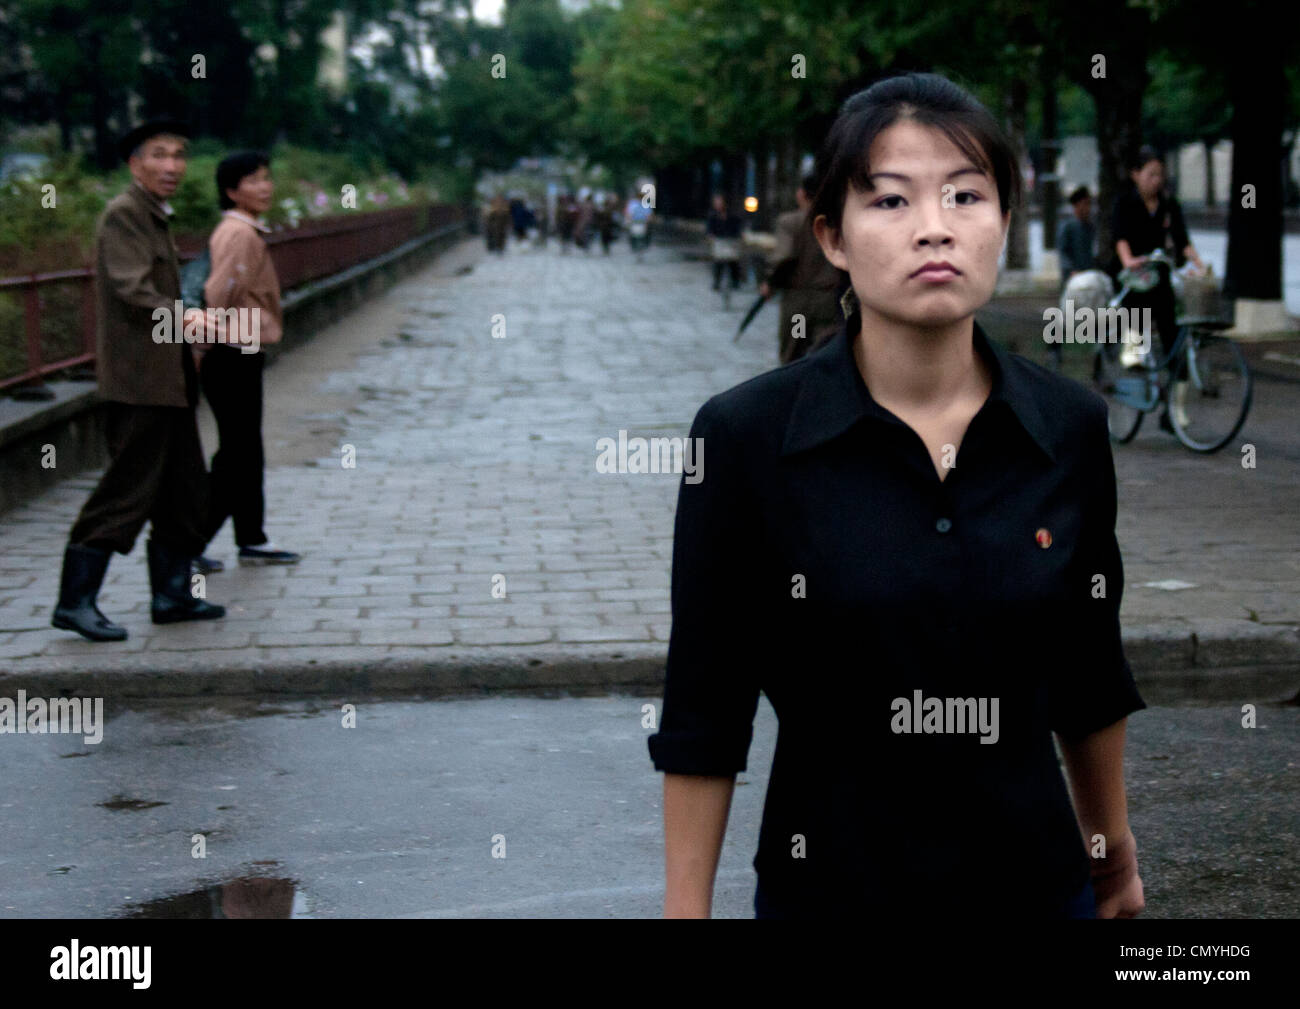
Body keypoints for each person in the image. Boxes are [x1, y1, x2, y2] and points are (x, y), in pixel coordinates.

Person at [649, 72, 1147, 920]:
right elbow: (707, 701)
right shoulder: (746, 439)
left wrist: (1111, 852)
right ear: (832, 237)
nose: (934, 229)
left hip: (1035, 890)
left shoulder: (1067, 427)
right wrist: (685, 908)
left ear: (1004, 221)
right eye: (889, 201)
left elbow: (1088, 673)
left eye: (966, 195)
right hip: (832, 891)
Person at [51, 118, 226, 641]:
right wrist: (186, 318)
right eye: (159, 155)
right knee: (126, 491)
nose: (172, 165)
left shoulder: (152, 216)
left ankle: (171, 596)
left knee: (185, 490)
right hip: (139, 382)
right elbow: (133, 290)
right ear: (134, 164)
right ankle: (74, 602)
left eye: (179, 155)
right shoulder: (124, 214)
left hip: (167, 380)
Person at [191, 151, 300, 573]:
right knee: (237, 452)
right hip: (231, 350)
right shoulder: (239, 233)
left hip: (241, 346)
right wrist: (205, 342)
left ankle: (251, 537)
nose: (265, 186)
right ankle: (188, 542)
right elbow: (220, 292)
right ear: (232, 190)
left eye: (266, 178)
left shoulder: (243, 229)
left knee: (245, 449)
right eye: (253, 180)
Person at [1111, 147, 1207, 426]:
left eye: (1160, 175)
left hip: (1161, 279)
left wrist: (1199, 265)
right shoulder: (1125, 203)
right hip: (1135, 278)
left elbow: (1183, 240)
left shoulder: (1169, 205)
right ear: (1136, 174)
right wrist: (1128, 260)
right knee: (1135, 328)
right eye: (1151, 174)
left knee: (1177, 343)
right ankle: (1134, 365)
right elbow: (1120, 237)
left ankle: (1174, 410)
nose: (1157, 180)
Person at [759, 175, 843, 363]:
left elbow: (783, 257)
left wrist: (770, 283)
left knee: (795, 354)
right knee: (825, 354)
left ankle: (797, 392)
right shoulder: (836, 223)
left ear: (802, 194)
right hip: (829, 302)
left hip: (800, 304)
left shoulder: (791, 222)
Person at [1050, 185, 1098, 370]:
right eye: (1085, 204)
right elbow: (1062, 252)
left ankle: (1098, 358)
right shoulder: (1068, 226)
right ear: (1076, 205)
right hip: (1071, 278)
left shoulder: (1090, 227)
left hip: (1088, 276)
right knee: (1064, 313)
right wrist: (1070, 271)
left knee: (1095, 313)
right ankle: (1054, 350)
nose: (1088, 208)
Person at [705, 194, 742, 293]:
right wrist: (710, 236)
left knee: (733, 262)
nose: (718, 205)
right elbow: (709, 229)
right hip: (719, 241)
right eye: (716, 203)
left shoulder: (732, 214)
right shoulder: (712, 215)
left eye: (719, 202)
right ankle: (717, 282)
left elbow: (738, 227)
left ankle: (736, 282)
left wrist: (738, 236)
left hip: (731, 241)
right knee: (718, 262)